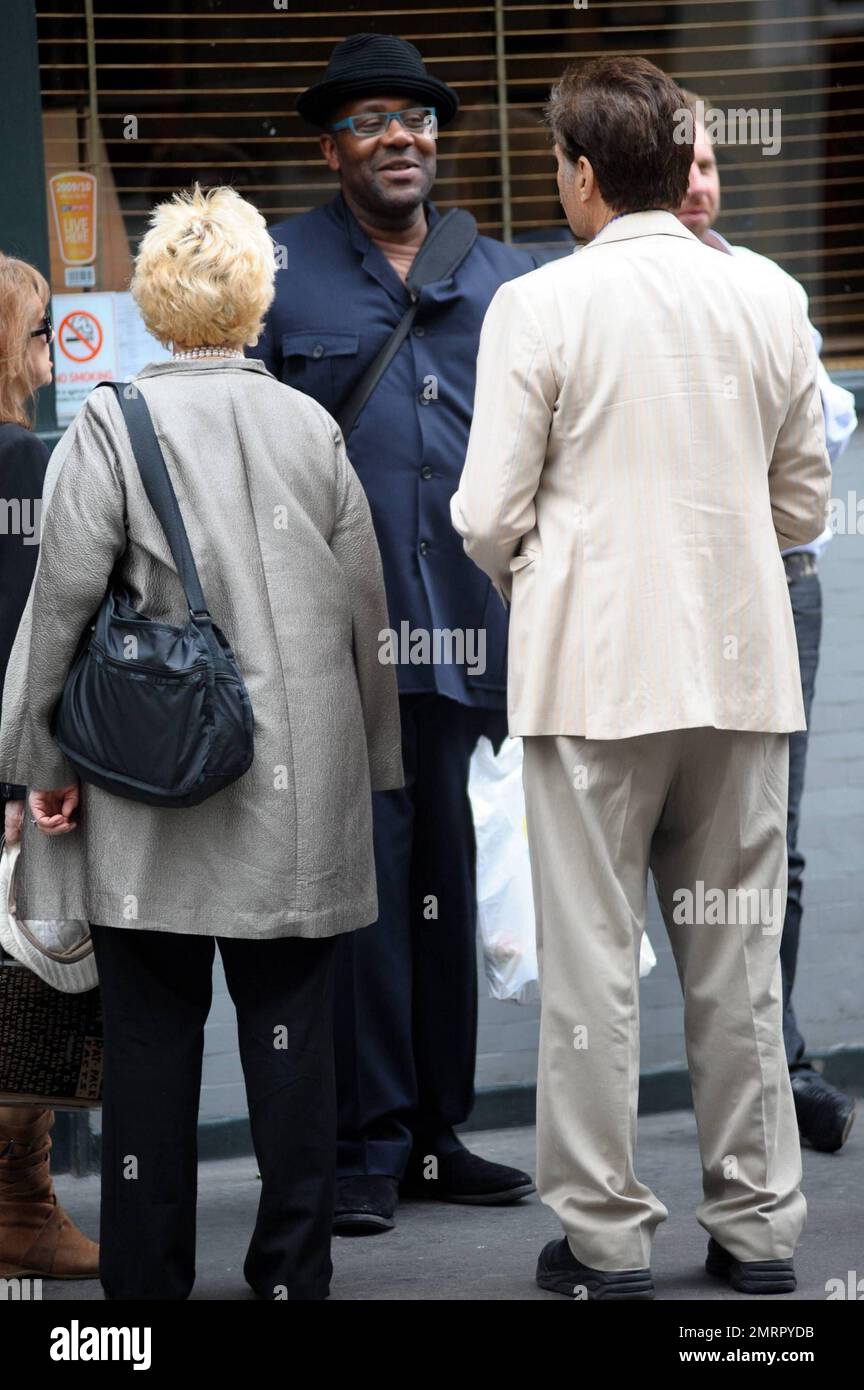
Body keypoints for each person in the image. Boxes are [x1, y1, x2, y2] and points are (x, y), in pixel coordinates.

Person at [452, 56, 831, 1299]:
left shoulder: (540, 304)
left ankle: (607, 1240)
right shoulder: (768, 300)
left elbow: (485, 510)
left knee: (594, 972)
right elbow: (801, 502)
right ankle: (760, 1229)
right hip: (740, 676)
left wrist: (538, 579)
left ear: (581, 175)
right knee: (736, 965)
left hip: (593, 680)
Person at [0, 185, 402, 1300]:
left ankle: (146, 1290)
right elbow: (366, 617)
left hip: (147, 795)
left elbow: (60, 609)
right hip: (297, 793)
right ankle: (288, 1278)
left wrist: (39, 763)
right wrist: (369, 772)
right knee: (292, 1055)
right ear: (257, 299)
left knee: (150, 1051)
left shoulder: (108, 424)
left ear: (156, 300)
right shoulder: (309, 425)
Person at [253, 32, 535, 1235]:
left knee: (443, 886)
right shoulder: (281, 268)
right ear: (333, 149)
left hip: (467, 634)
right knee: (358, 903)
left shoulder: (507, 274)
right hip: (337, 646)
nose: (399, 136)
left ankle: (434, 1132)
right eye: (369, 120)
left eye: (415, 116)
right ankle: (358, 1143)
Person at [675, 97, 858, 1153]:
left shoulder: (768, 287)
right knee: (661, 841)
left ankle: (776, 1063)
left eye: (710, 164)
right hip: (662, 598)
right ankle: (739, 1077)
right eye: (682, 166)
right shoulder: (587, 295)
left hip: (778, 591)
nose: (701, 184)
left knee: (773, 843)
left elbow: (825, 432)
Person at [0, 251, 99, 1281]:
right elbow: (21, 639)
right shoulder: (23, 462)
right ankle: (19, 1202)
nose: (45, 354)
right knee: (26, 990)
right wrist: (27, 779)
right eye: (35, 331)